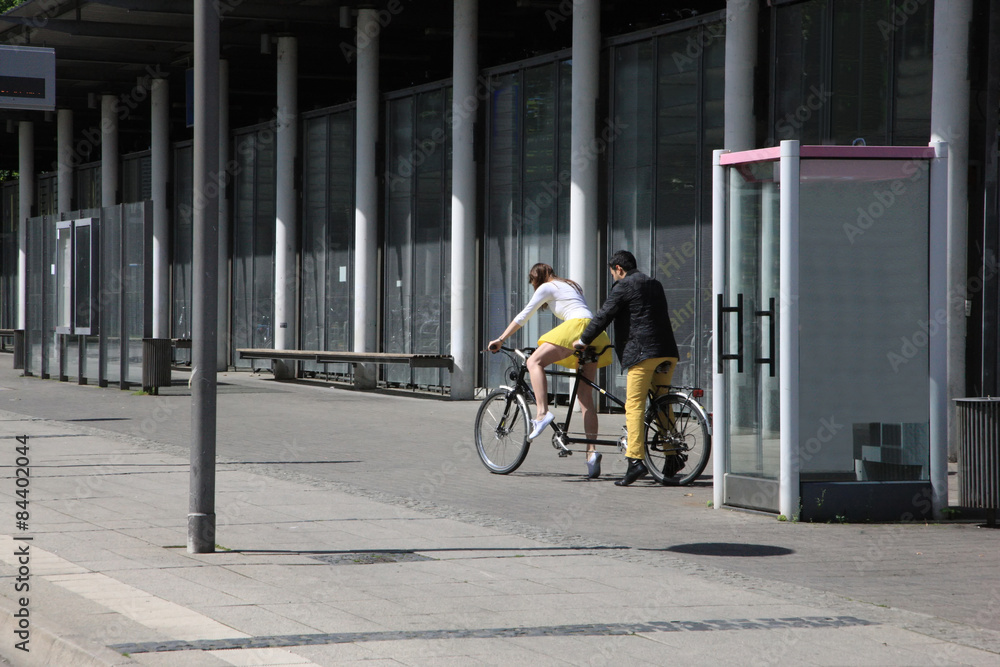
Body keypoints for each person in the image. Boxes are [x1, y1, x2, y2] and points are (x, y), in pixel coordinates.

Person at [488, 263, 613, 478]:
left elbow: (523, 315)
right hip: (595, 331)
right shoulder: (571, 285)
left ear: (536, 278)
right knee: (585, 397)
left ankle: (542, 413)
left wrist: (500, 339)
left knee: (533, 362)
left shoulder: (546, 287)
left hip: (577, 327)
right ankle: (591, 454)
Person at [573, 250, 679, 486]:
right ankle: (673, 455)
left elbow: (603, 316)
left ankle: (635, 461)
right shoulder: (655, 283)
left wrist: (583, 340)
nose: (614, 277)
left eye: (613, 273)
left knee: (634, 405)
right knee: (663, 402)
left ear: (619, 269)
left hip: (643, 353)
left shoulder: (623, 286)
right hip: (667, 352)